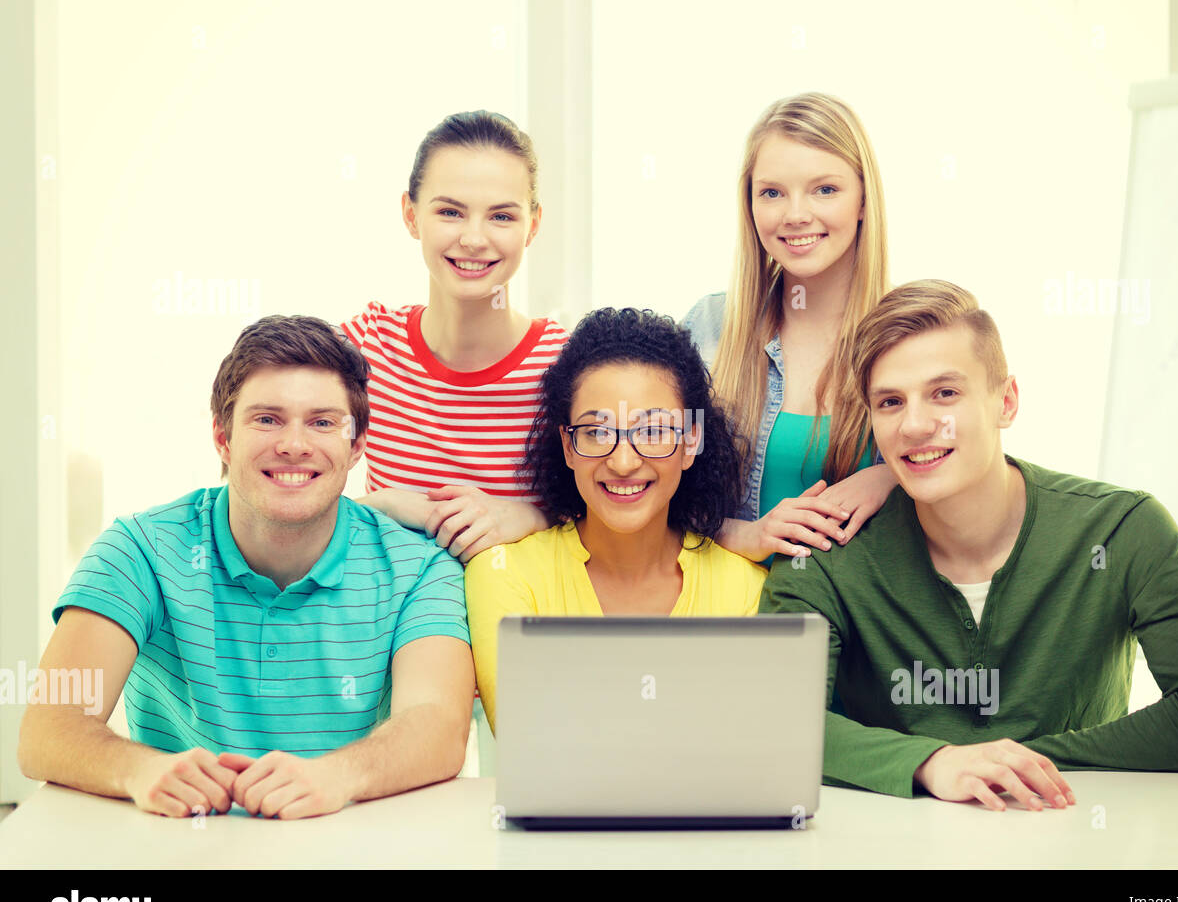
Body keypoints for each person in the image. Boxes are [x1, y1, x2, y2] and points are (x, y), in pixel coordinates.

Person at [760, 280, 1178, 809]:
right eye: (890, 402)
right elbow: (772, 725)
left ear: (1006, 401)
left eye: (945, 393)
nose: (915, 424)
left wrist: (1010, 763)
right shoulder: (822, 557)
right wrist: (931, 763)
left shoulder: (1123, 529)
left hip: (1072, 835)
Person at [18, 316, 475, 819]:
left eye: (323, 422)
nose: (294, 445)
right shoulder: (138, 549)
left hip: (348, 843)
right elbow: (48, 728)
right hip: (182, 845)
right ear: (223, 438)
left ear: (357, 444)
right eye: (267, 419)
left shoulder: (420, 569)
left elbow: (438, 725)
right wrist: (138, 770)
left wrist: (334, 777)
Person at [465, 308, 768, 733]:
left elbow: (745, 745)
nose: (623, 462)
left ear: (690, 442)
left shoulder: (747, 588)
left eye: (653, 431)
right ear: (568, 447)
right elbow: (531, 737)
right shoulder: (505, 575)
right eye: (596, 432)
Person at [683, 92, 899, 565]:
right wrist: (745, 535)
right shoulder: (709, 325)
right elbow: (653, 493)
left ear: (863, 200)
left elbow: (973, 467)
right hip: (737, 617)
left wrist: (891, 477)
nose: (795, 214)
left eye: (825, 189)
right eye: (772, 192)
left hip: (864, 627)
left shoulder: (910, 333)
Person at [343, 110, 568, 564]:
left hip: (517, 625)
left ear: (534, 225)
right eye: (449, 212)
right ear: (410, 215)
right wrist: (380, 507)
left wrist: (532, 517)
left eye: (501, 216)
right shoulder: (365, 344)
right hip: (386, 626)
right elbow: (275, 492)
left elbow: (623, 520)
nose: (472, 238)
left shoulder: (568, 365)